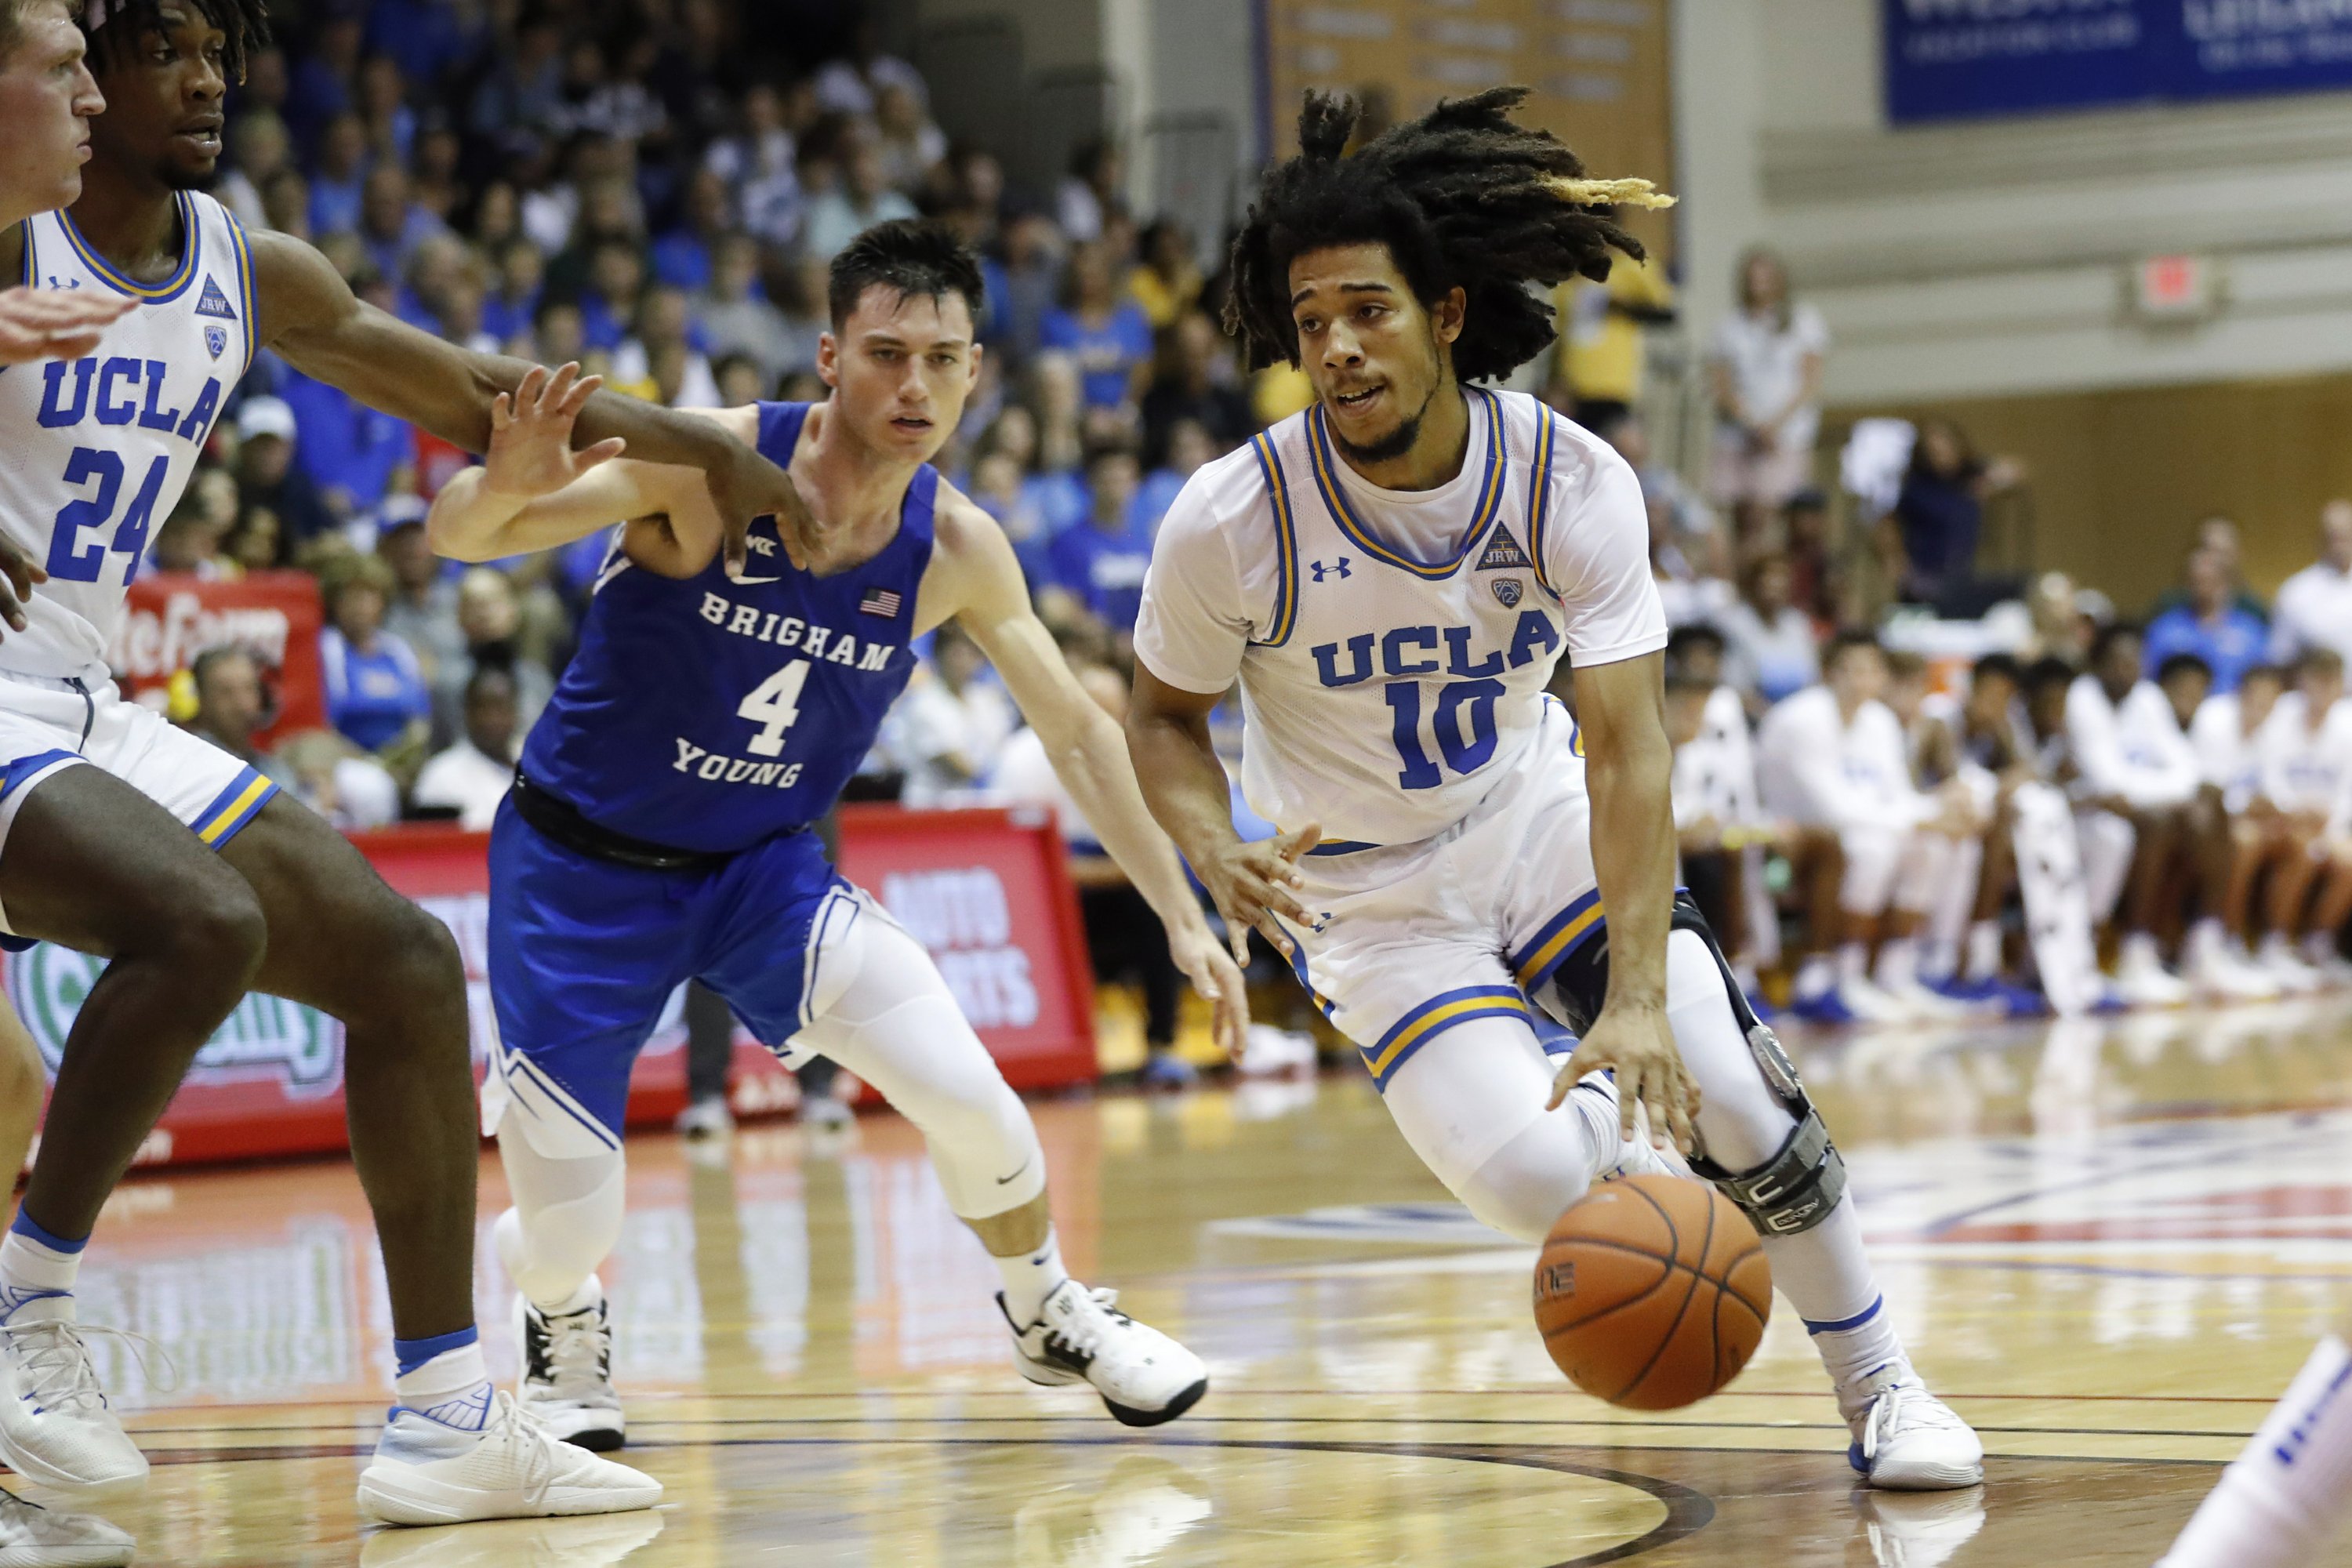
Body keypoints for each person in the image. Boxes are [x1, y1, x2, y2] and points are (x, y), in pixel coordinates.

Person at [0, 0, 806, 1526]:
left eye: (221, 55)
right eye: (166, 49)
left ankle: (444, 1411)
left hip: (78, 694)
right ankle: (28, 1314)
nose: (207, 79)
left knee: (405, 965)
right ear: (84, 81)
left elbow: (467, 386)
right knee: (204, 921)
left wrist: (707, 445)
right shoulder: (16, 231)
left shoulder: (248, 266)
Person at [1126, 89, 1980, 1490]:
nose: (1336, 346)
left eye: (1367, 311)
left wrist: (1641, 993)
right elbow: (1161, 719)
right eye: (1312, 321)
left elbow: (1630, 747)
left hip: (1536, 825)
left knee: (1732, 1086)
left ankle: (1885, 1385)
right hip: (1367, 901)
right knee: (1532, 1183)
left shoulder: (1570, 478)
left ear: (1448, 313)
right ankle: (1632, 1141)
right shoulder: (1233, 516)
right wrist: (1213, 841)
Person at [423, 222, 1244, 1454]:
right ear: (828, 357)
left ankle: (1047, 1310)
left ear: (977, 374)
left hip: (763, 874)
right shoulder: (708, 469)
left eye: (944, 360)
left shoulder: (957, 547)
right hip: (580, 867)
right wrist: (510, 478)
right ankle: (562, 1311)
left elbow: (1077, 734)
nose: (915, 387)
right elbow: (460, 535)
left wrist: (1184, 911)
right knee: (563, 1222)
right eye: (887, 353)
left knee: (972, 1096)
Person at [1755, 633, 1979, 1023]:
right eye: (1853, 669)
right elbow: (1832, 809)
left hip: (1854, 830)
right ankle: (1843, 973)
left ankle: (1897, 972)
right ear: (1829, 674)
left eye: (1872, 670)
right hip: (1787, 840)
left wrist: (1941, 809)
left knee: (1934, 844)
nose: (1863, 679)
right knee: (1875, 847)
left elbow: (1896, 796)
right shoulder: (1801, 719)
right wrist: (1922, 817)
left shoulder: (1879, 720)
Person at [1708, 246, 1827, 539]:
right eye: (1752, 277)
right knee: (1741, 519)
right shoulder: (1730, 327)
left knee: (1774, 513)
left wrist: (1774, 425)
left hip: (1786, 436)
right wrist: (1752, 424)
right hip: (1741, 437)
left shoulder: (1803, 321)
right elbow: (1722, 386)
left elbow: (1809, 381)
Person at [2145, 545, 2267, 693]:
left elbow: (2263, 682)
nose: (2204, 588)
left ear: (2226, 582)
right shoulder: (2164, 629)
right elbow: (2149, 682)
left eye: (2211, 580)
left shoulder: (2250, 631)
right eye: (2197, 581)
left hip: (2233, 711)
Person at [412, 665, 519, 829]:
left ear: (515, 712)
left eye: (500, 707)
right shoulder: (441, 775)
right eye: (482, 708)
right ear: (466, 713)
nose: (492, 719)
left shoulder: (536, 768)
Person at [2271, 499, 2352, 666]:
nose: (2340, 545)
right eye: (2333, 537)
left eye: (2346, 535)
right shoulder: (2296, 591)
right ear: (2320, 538)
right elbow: (2281, 658)